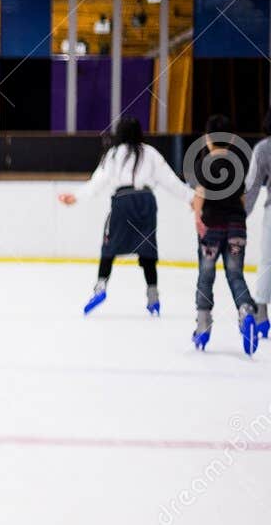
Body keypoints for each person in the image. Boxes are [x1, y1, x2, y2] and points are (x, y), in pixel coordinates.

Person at [58, 115, 192, 316]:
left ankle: (101, 287)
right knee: (147, 247)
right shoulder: (151, 153)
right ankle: (153, 295)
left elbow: (97, 182)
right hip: (146, 201)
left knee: (109, 244)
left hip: (123, 200)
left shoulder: (113, 154)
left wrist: (75, 197)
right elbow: (170, 181)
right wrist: (190, 197)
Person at [188, 114, 257, 355]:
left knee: (206, 275)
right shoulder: (238, 163)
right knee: (235, 274)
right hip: (236, 225)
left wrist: (197, 216)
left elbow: (200, 193)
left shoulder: (204, 162)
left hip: (212, 227)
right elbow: (241, 198)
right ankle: (247, 310)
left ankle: (203, 323)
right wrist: (239, 221)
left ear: (208, 138)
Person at [241, 109, 271, 340]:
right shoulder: (262, 149)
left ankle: (261, 312)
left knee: (268, 261)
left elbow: (251, 187)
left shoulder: (263, 148)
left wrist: (239, 216)